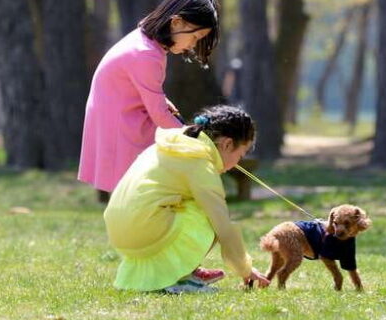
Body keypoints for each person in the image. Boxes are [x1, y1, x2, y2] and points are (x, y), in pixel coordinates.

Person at [103, 105, 270, 293]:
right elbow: (223, 226)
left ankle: (185, 272)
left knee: (193, 205)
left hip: (120, 234)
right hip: (144, 230)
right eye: (241, 155)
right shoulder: (199, 163)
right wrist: (245, 269)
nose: (237, 163)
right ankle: (178, 281)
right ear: (227, 144)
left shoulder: (172, 145)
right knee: (208, 213)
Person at [78, 0, 219, 201]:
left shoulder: (147, 42)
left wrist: (163, 100)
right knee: (140, 192)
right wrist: (191, 137)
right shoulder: (147, 55)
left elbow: (145, 89)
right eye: (195, 36)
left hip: (122, 116)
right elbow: (160, 115)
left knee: (140, 193)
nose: (193, 44)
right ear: (176, 22)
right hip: (122, 124)